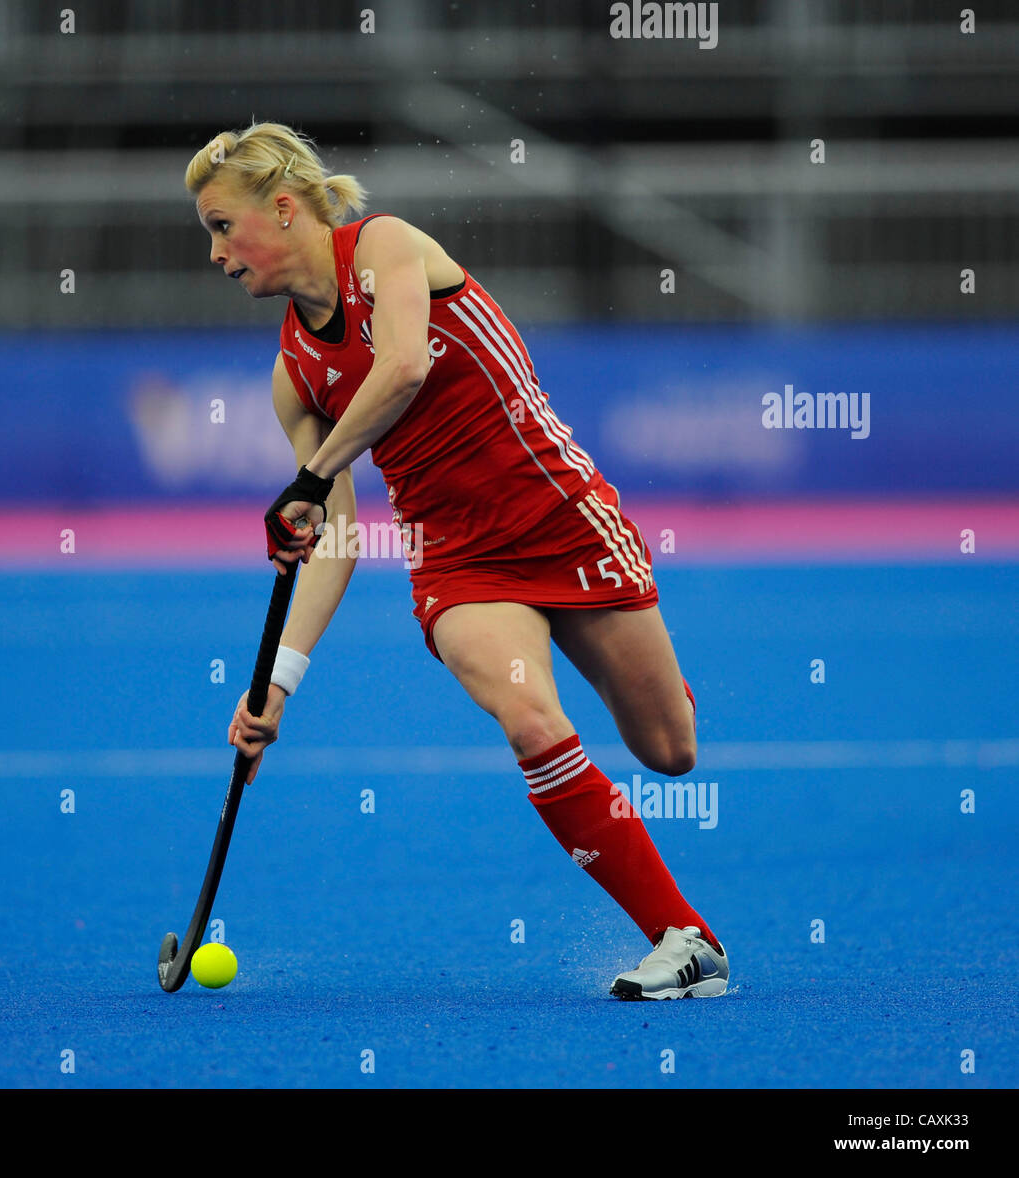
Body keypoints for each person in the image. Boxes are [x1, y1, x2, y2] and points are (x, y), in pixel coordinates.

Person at [185, 121, 729, 1000]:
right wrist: (274, 688)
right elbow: (343, 540)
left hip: (561, 517)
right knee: (529, 717)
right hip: (460, 565)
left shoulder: (388, 248)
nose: (214, 253)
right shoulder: (295, 372)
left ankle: (646, 677)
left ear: (283, 209)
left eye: (219, 225)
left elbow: (401, 367)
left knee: (670, 751)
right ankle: (685, 939)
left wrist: (308, 479)